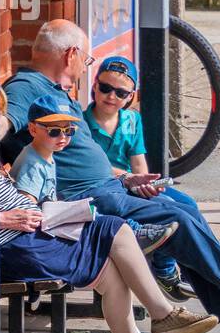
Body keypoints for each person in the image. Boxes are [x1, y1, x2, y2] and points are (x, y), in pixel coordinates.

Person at [0, 78, 220, 333]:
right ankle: (163, 314)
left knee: (114, 277)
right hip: (7, 249)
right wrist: (5, 218)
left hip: (21, 237)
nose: (0, 121)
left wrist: (25, 206)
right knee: (113, 228)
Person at [2, 20, 220, 333]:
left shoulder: (54, 91)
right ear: (71, 54)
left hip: (110, 187)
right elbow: (2, 123)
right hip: (87, 199)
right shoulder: (26, 86)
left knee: (183, 208)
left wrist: (128, 178)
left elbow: (89, 160)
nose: (84, 68)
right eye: (87, 60)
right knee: (175, 220)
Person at [83, 56, 196, 300]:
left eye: (121, 93)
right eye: (105, 88)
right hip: (107, 189)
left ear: (131, 96)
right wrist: (131, 178)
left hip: (132, 185)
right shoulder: (82, 124)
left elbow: (138, 161)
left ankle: (191, 272)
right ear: (94, 86)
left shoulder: (131, 120)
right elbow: (93, 167)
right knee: (169, 213)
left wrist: (147, 182)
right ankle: (164, 272)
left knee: (188, 205)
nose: (111, 96)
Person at [11, 93, 178, 256]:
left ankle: (137, 232)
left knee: (94, 211)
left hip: (51, 220)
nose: (63, 137)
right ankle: (135, 233)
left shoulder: (46, 154)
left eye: (69, 131)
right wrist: (64, 213)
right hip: (41, 233)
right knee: (96, 215)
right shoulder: (33, 164)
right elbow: (26, 210)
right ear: (33, 129)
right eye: (54, 131)